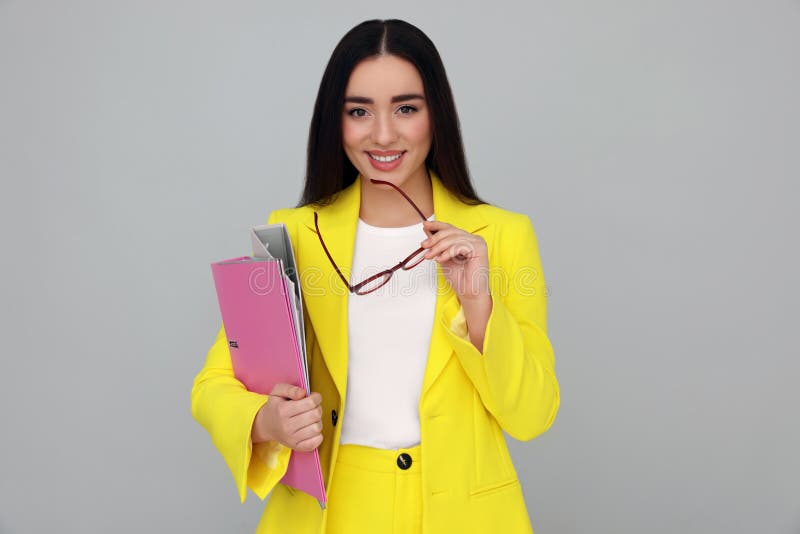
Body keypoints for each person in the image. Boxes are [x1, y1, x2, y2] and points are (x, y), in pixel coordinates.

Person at [191, 18, 559, 534]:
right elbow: (214, 385)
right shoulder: (294, 234)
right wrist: (265, 421)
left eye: (406, 108)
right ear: (333, 122)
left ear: (437, 116)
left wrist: (478, 302)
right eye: (358, 111)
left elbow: (533, 414)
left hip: (463, 515)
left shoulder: (501, 235)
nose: (383, 134)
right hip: (333, 510)